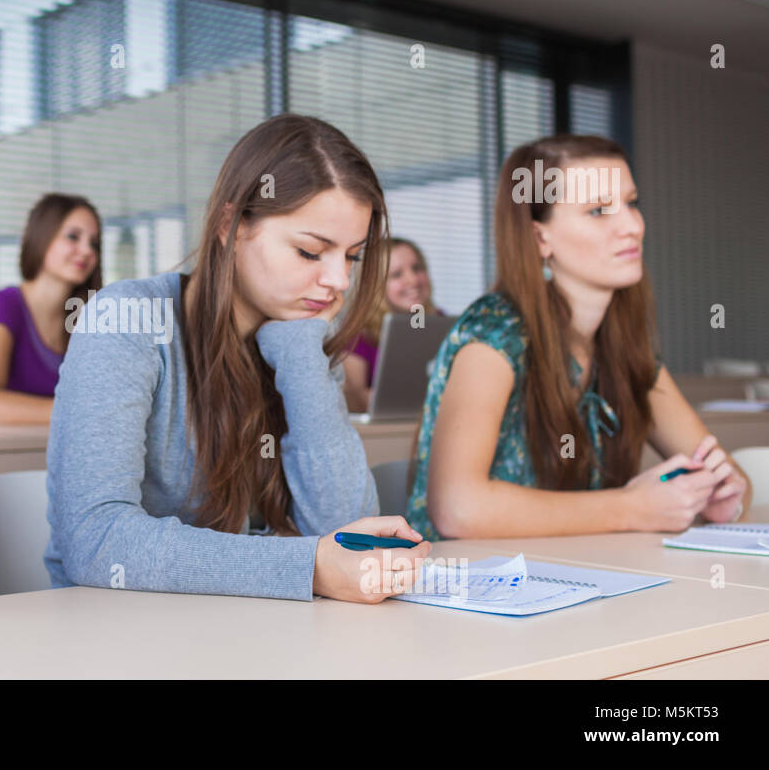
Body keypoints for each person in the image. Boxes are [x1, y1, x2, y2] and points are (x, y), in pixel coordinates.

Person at [45, 113, 431, 603]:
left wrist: (300, 355)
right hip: (121, 635)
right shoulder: (126, 318)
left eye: (352, 256)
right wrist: (305, 567)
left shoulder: (303, 337)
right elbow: (96, 540)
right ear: (230, 225)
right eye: (311, 252)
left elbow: (346, 535)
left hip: (253, 634)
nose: (340, 281)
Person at [407, 134, 752, 540]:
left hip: (581, 584)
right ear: (540, 238)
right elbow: (457, 508)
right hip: (462, 590)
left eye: (631, 202)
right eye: (599, 210)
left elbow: (723, 467)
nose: (632, 226)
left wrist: (725, 494)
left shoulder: (623, 342)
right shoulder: (494, 334)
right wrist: (631, 507)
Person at [0, 194, 101, 424]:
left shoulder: (84, 319)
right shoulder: (1, 306)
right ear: (42, 238)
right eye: (73, 237)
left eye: (94, 243)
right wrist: (78, 412)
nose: (87, 250)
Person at [343, 237, 445, 412]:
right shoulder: (358, 332)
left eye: (417, 268)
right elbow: (356, 399)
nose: (413, 280)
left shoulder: (439, 321)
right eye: (397, 274)